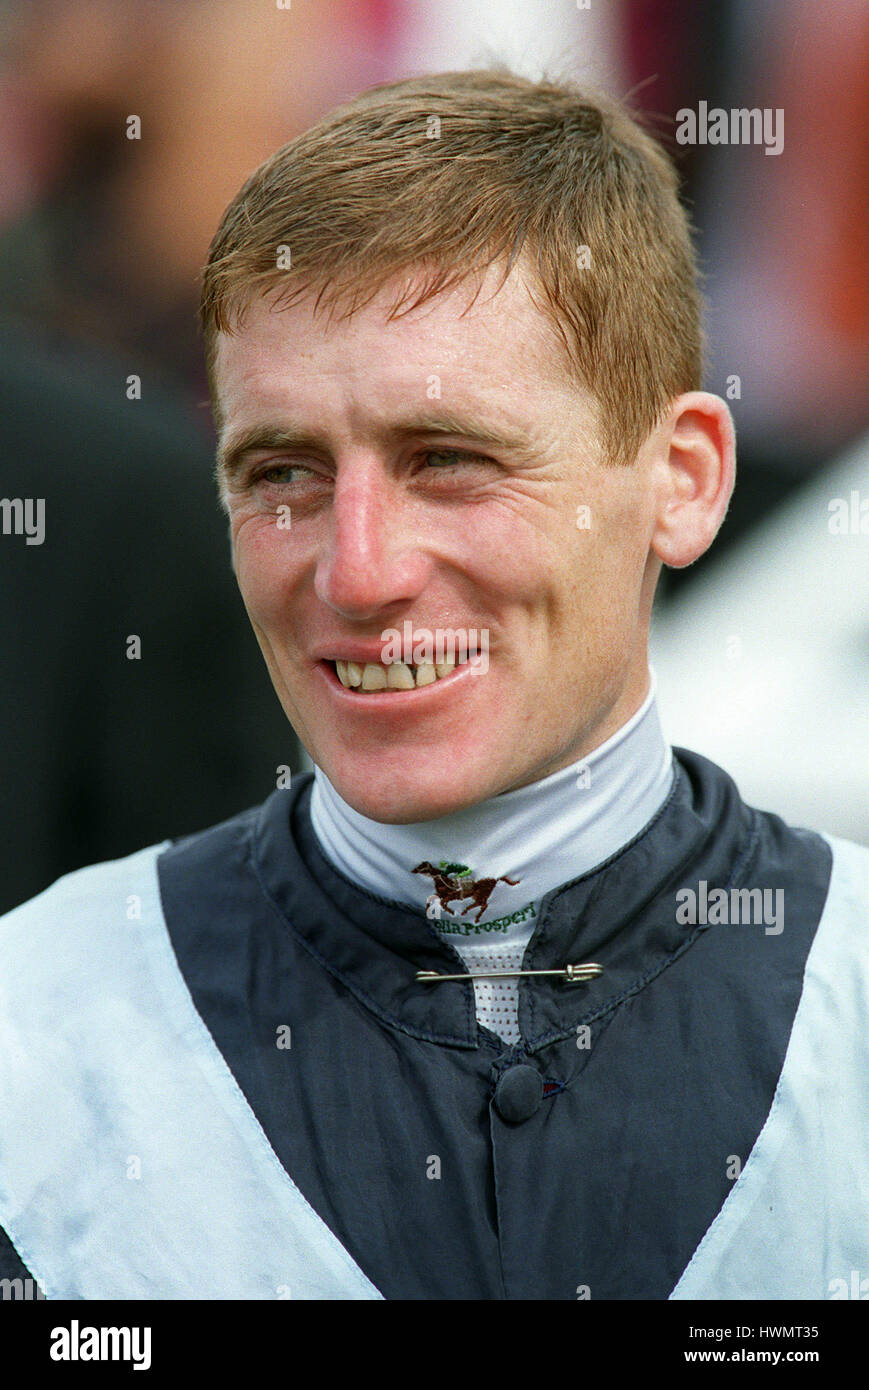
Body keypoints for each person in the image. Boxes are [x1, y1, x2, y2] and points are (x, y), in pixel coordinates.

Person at [1, 68, 867, 1302]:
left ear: (681, 478)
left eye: (449, 459)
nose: (357, 572)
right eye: (283, 472)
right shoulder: (37, 1033)